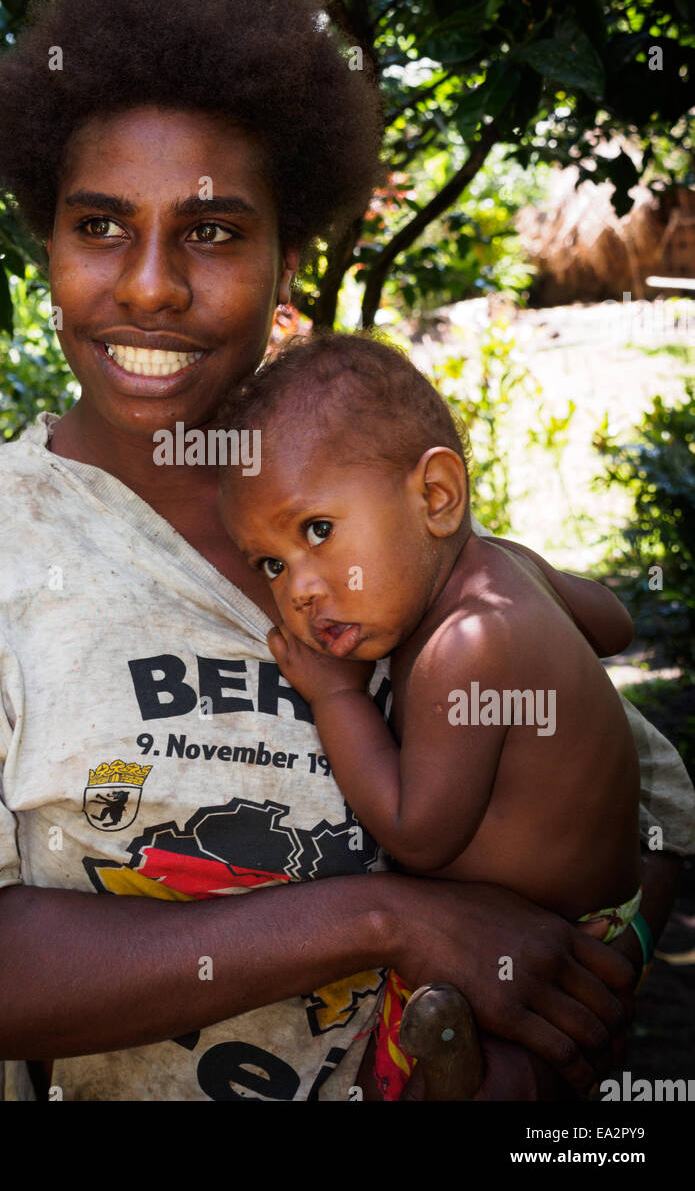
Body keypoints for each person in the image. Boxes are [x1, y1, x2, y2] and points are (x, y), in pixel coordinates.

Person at [0, 0, 695, 1102]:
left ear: (286, 259)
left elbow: (643, 793)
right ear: (47, 246)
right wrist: (385, 916)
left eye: (211, 233)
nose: (149, 286)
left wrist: (596, 980)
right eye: (100, 225)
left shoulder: (365, 526)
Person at [215, 330, 647, 1098]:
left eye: (317, 531)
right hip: (603, 913)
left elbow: (419, 833)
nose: (300, 591)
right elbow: (613, 623)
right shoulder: (504, 567)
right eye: (271, 565)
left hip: (555, 955)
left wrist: (338, 696)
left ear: (436, 497)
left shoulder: (464, 646)